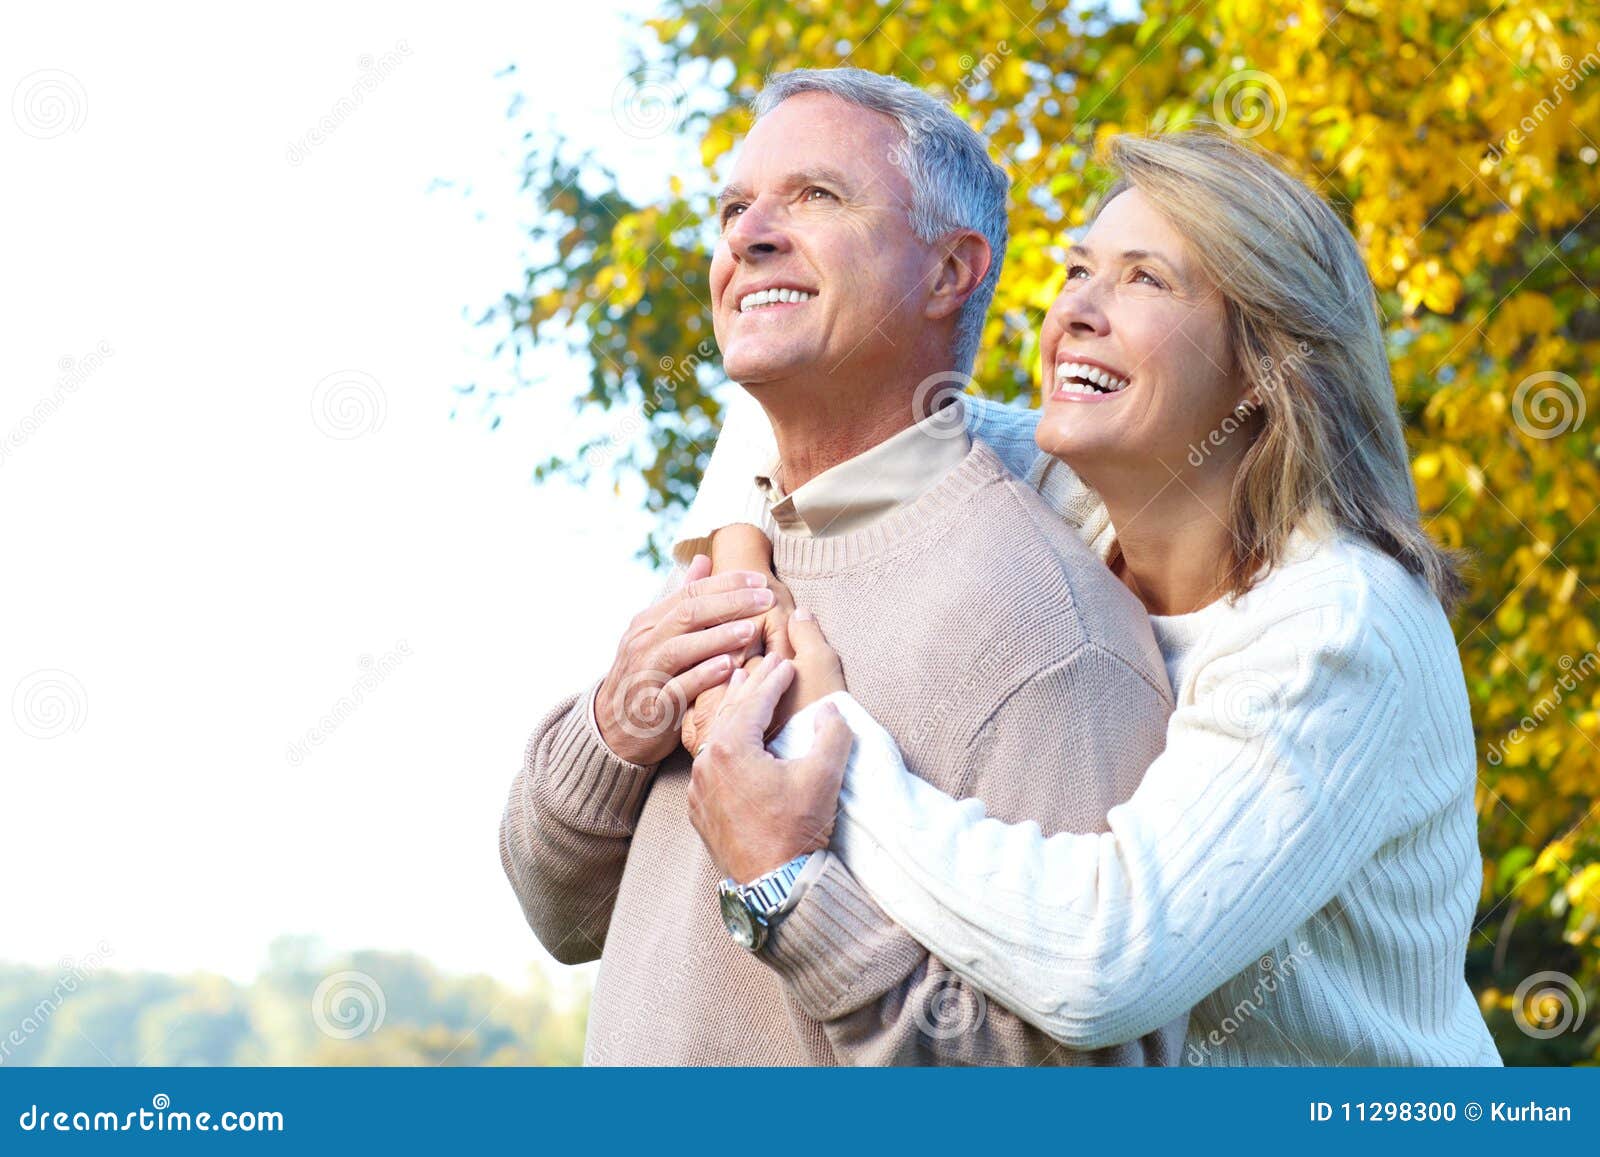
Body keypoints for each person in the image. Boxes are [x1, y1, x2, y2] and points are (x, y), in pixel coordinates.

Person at [685, 128, 1504, 1066]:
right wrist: (745, 596)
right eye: (1079, 269)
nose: (1077, 308)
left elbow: (1104, 963)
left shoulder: (1337, 625)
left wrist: (824, 744)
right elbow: (782, 404)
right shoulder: (1057, 483)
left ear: (1270, 363)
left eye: (1144, 279)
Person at [500, 68, 1186, 1065]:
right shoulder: (716, 567)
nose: (747, 235)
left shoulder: (1052, 636)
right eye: (735, 207)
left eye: (815, 196)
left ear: (950, 271)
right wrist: (613, 722)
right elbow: (557, 912)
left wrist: (787, 892)